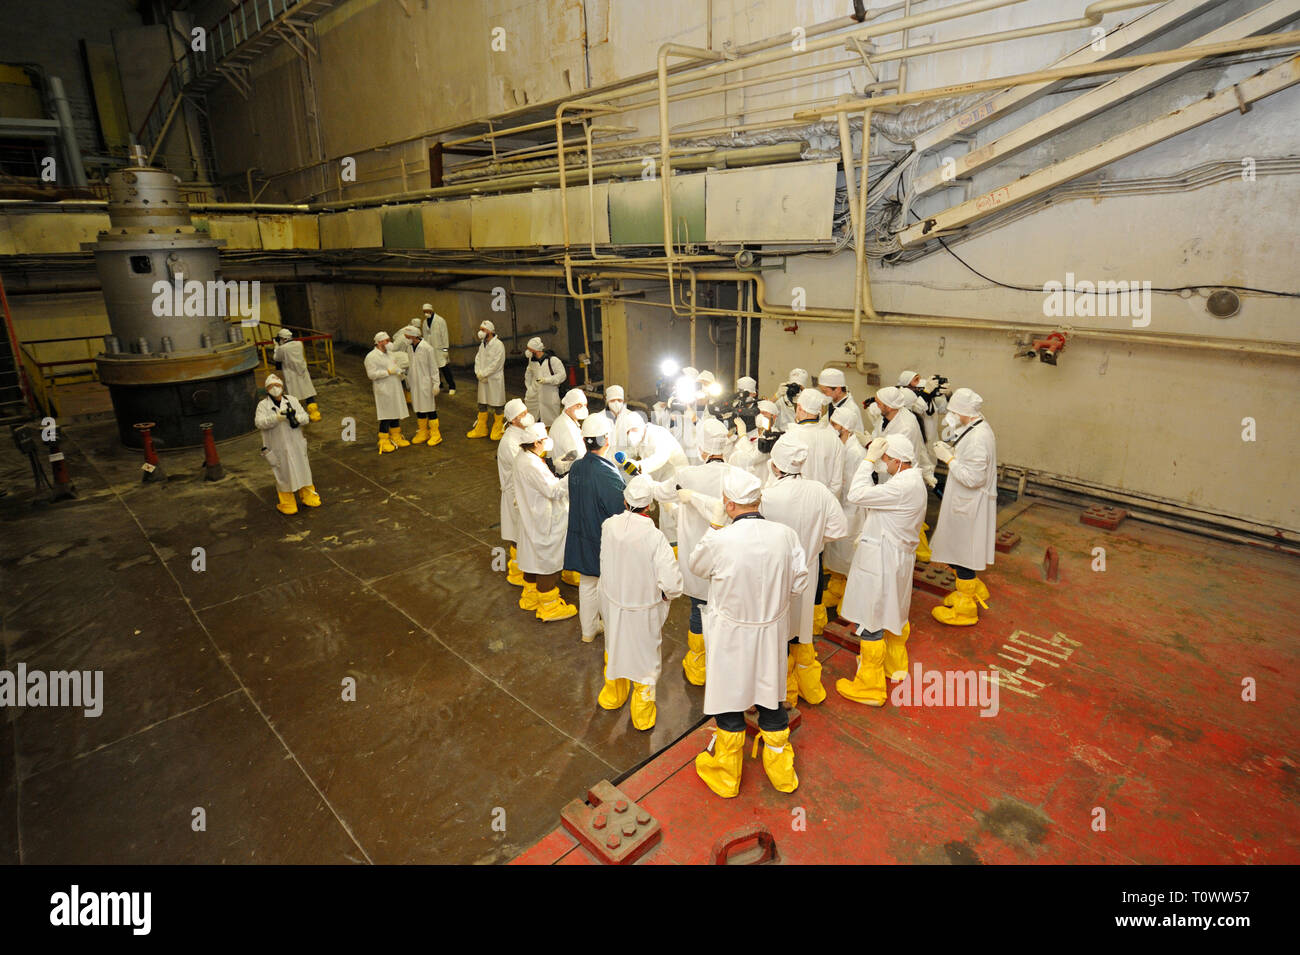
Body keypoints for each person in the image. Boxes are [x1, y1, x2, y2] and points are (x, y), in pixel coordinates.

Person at [690, 468, 809, 798]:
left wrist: (713, 526)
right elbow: (799, 582)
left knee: (730, 700)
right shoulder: (785, 534)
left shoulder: (721, 539)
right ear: (758, 501)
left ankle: (727, 775)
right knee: (771, 697)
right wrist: (771, 606)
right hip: (771, 632)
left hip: (731, 634)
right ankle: (781, 772)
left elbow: (696, 566)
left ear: (728, 504)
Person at [837, 434, 928, 704]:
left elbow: (856, 494)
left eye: (886, 459)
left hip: (882, 561)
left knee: (871, 617)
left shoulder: (901, 487)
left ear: (898, 461)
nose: (882, 464)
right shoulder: (911, 480)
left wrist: (867, 460)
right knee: (891, 611)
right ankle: (894, 666)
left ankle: (870, 686)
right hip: (895, 557)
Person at [760, 435, 847, 708]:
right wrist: (814, 544)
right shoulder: (819, 490)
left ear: (775, 466)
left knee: (780, 630)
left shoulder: (767, 496)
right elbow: (839, 529)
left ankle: (786, 690)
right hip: (808, 570)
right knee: (802, 629)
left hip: (776, 574)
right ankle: (810, 685)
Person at [650, 418, 733, 686]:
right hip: (729, 557)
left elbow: (660, 493)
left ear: (701, 449)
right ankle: (723, 661)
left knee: (699, 609)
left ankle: (698, 665)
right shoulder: (736, 476)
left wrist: (639, 477)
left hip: (697, 558)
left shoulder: (686, 476)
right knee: (726, 610)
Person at [597, 475, 684, 730]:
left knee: (614, 647)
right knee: (644, 658)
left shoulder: (609, 525)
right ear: (650, 506)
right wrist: (668, 594)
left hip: (613, 603)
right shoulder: (654, 537)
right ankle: (642, 714)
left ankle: (613, 695)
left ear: (624, 501)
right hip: (643, 609)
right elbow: (671, 582)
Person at [929, 388, 997, 626]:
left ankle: (965, 609)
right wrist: (952, 450)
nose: (950, 415)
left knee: (963, 553)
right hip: (964, 502)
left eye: (953, 412)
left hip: (970, 504)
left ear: (964, 413)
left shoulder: (979, 438)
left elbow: (973, 478)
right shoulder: (975, 426)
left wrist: (948, 459)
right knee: (959, 549)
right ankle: (966, 592)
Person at [564, 413, 627, 643]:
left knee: (588, 583)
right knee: (608, 587)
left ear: (584, 441)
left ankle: (588, 631)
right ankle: (612, 634)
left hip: (580, 533)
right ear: (606, 440)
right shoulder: (606, 472)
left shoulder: (577, 467)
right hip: (601, 538)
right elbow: (619, 508)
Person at [513, 421, 577, 622]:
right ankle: (549, 606)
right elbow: (554, 490)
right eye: (544, 439)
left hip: (531, 517)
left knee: (532, 559)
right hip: (544, 521)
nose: (547, 442)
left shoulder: (522, 458)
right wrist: (572, 475)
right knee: (547, 564)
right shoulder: (531, 464)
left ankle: (530, 597)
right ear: (536, 442)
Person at [822, 402, 867, 613]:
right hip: (840, 507)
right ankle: (837, 587)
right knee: (837, 552)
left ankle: (851, 596)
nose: (830, 427)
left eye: (834, 424)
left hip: (851, 510)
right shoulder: (840, 445)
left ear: (845, 428)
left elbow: (850, 485)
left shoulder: (855, 451)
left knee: (848, 554)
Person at [255, 373, 320, 514]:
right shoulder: (263, 405)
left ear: (282, 387)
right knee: (284, 475)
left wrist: (295, 416)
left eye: (277, 385)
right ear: (267, 389)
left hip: (296, 444)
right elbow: (259, 423)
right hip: (278, 447)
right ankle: (288, 504)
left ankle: (309, 496)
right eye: (271, 386)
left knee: (303, 471)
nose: (275, 388)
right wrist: (277, 417)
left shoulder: (292, 400)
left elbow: (305, 418)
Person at [621, 411, 688, 545]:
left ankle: (677, 548)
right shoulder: (641, 440)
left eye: (633, 430)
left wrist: (639, 465)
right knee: (666, 518)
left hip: (676, 479)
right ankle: (671, 547)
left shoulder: (658, 434)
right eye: (628, 432)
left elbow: (659, 458)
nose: (631, 434)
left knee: (674, 518)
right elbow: (648, 464)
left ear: (642, 426)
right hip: (662, 482)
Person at [497, 399, 533, 587]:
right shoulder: (510, 441)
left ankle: (519, 568)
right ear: (513, 420)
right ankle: (517, 571)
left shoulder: (520, 434)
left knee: (520, 530)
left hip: (520, 490)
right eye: (522, 414)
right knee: (518, 533)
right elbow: (523, 468)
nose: (527, 416)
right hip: (514, 494)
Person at [364, 331, 410, 453]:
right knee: (386, 414)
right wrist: (388, 372)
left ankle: (395, 436)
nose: (389, 343)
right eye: (387, 341)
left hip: (395, 386)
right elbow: (371, 374)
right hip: (383, 388)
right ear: (379, 342)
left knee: (395, 411)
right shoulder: (371, 356)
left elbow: (394, 366)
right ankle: (383, 439)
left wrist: (399, 371)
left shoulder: (390, 354)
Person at [402, 325, 442, 447]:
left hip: (426, 383)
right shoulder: (409, 347)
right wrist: (408, 379)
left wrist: (436, 383)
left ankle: (436, 434)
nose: (406, 338)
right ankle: (423, 432)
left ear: (414, 336)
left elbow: (434, 367)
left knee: (429, 408)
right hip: (415, 383)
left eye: (407, 336)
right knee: (419, 408)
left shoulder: (427, 348)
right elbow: (410, 365)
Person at [468, 320, 506, 440]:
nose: (480, 332)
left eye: (483, 330)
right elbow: (478, 359)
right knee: (482, 403)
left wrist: (484, 374)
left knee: (497, 405)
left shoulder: (498, 345)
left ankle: (498, 429)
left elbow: (497, 363)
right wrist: (478, 372)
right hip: (482, 379)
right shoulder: (482, 344)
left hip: (494, 379)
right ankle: (481, 428)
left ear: (490, 331)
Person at [272, 328, 319, 421]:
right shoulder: (299, 344)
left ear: (283, 338)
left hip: (291, 375)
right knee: (308, 393)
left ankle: (297, 417)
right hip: (302, 372)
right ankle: (315, 415)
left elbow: (276, 358)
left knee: (293, 397)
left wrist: (276, 346)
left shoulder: (282, 348)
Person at [523, 336, 566, 426]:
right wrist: (530, 388)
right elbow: (528, 374)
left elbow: (562, 375)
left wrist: (547, 380)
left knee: (551, 422)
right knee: (533, 420)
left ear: (536, 350)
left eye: (529, 349)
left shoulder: (553, 360)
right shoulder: (532, 360)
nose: (528, 352)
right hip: (534, 396)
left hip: (549, 394)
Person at [549, 388, 587, 476]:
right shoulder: (565, 427)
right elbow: (577, 455)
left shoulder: (569, 421)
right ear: (568, 407)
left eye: (585, 405)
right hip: (566, 473)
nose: (583, 409)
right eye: (578, 406)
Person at [420, 303, 454, 395]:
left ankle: (452, 386)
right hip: (430, 349)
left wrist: (445, 349)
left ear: (432, 310)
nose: (426, 313)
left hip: (439, 349)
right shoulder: (424, 322)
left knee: (444, 368)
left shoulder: (440, 320)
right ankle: (439, 385)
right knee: (433, 369)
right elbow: (425, 336)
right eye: (424, 312)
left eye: (427, 311)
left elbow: (445, 335)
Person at [817, 367, 863, 433]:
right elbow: (826, 422)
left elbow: (855, 437)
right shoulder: (834, 404)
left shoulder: (851, 410)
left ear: (838, 390)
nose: (823, 395)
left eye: (824, 391)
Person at [773, 368, 811, 432]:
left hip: (802, 434)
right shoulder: (781, 400)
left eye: (798, 387)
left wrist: (802, 399)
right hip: (782, 434)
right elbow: (765, 411)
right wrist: (776, 396)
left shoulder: (810, 401)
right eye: (792, 386)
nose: (795, 389)